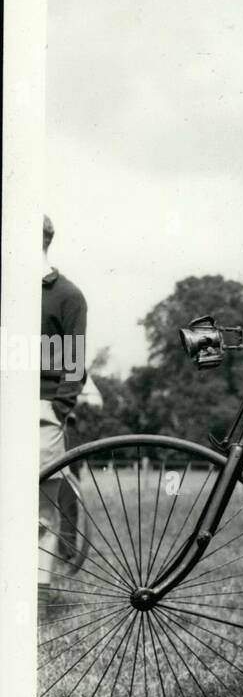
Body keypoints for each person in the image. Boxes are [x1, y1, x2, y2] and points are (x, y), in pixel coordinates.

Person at [38, 214, 87, 612]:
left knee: (39, 515)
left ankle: (33, 606)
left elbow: (73, 365)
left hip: (41, 413)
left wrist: (57, 409)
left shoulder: (67, 296)